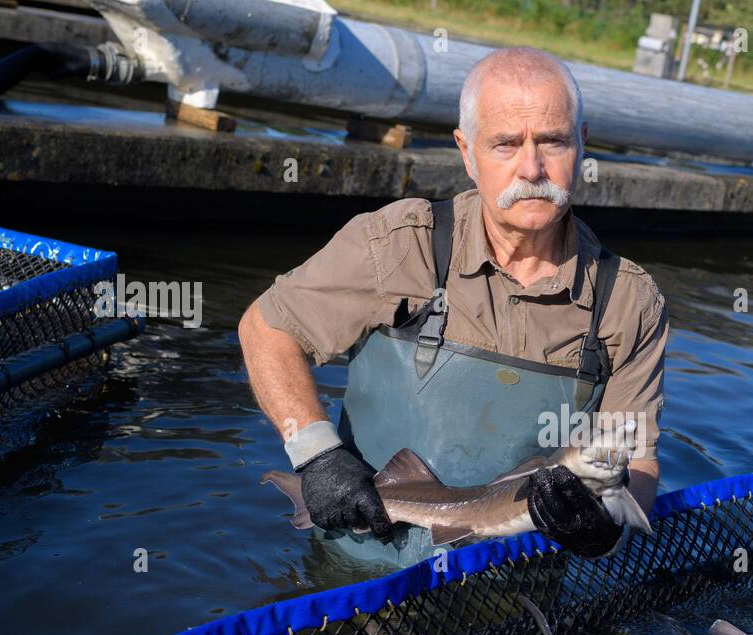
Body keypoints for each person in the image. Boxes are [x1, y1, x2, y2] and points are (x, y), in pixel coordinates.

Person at [239, 46, 668, 568]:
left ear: (582, 144)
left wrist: (604, 532)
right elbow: (267, 330)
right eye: (506, 144)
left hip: (517, 589)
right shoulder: (400, 245)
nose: (532, 168)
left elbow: (637, 455)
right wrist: (317, 456)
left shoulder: (628, 300)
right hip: (358, 570)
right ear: (467, 153)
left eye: (552, 141)